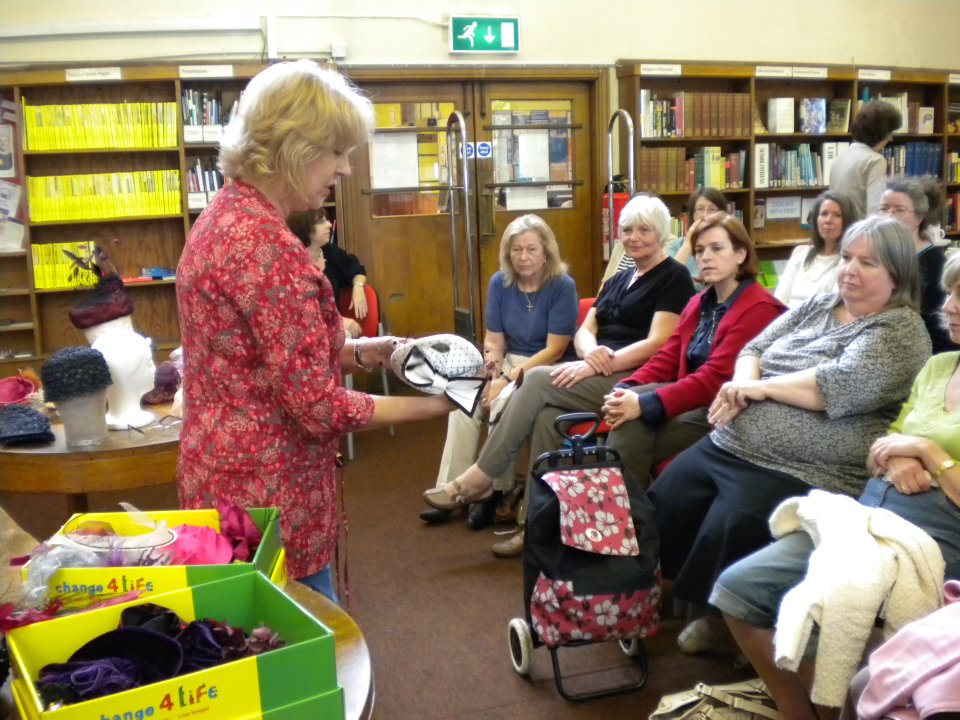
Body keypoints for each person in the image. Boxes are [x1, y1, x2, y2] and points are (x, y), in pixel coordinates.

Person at [175, 60, 453, 604]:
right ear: (295, 148)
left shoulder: (224, 217)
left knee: (240, 641)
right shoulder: (270, 251)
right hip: (267, 496)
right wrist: (438, 405)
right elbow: (318, 406)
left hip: (223, 477)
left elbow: (279, 356)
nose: (346, 169)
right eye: (338, 152)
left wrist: (376, 350)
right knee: (299, 658)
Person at [649, 216, 930, 654]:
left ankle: (725, 620)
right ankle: (675, 592)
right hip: (733, 442)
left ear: (897, 274)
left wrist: (757, 387)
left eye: (868, 263)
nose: (850, 270)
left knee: (737, 516)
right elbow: (754, 348)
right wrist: (737, 386)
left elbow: (833, 387)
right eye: (847, 257)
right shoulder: (821, 303)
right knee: (670, 494)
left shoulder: (899, 330)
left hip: (805, 466)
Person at [712, 251, 960, 720]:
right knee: (736, 590)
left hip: (937, 539)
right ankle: (796, 711)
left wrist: (926, 452)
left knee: (824, 624)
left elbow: (918, 452)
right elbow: (877, 450)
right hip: (868, 516)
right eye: (948, 293)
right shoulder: (939, 367)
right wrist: (897, 453)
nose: (946, 306)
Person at [422, 193, 696, 557]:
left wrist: (602, 361)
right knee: (548, 419)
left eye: (644, 229)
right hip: (597, 366)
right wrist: (587, 352)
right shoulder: (621, 277)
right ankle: (536, 525)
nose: (634, 237)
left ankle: (480, 478)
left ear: (662, 233)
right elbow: (586, 328)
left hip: (636, 376)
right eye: (627, 229)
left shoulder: (673, 278)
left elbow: (659, 341)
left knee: (535, 380)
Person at [600, 212, 786, 489]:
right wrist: (626, 386)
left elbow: (714, 379)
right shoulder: (699, 302)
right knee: (624, 407)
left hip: (726, 411)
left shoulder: (758, 308)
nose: (705, 257)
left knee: (629, 425)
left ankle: (622, 522)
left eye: (716, 248)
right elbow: (666, 358)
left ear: (740, 254)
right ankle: (624, 520)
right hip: (690, 402)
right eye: (699, 251)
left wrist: (643, 403)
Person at [420, 214, 577, 528]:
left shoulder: (562, 285)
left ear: (546, 251)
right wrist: (491, 374)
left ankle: (493, 491)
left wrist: (505, 382)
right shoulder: (500, 283)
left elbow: (555, 349)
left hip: (544, 367)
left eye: (531, 249)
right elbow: (493, 341)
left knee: (501, 405)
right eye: (516, 250)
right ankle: (452, 488)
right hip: (504, 362)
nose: (523, 257)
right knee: (463, 401)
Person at [878, 174, 958, 353]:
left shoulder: (935, 265)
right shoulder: (878, 256)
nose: (889, 216)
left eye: (899, 210)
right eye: (884, 208)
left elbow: (940, 334)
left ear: (919, 218)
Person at [287, 207, 366, 339]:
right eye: (321, 222)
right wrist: (339, 321)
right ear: (305, 228)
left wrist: (358, 287)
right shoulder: (291, 260)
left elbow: (358, 270)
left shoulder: (330, 252)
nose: (329, 225)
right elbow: (297, 311)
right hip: (304, 333)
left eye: (327, 220)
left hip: (334, 331)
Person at [774, 190, 860, 309]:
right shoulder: (800, 254)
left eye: (837, 215)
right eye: (824, 214)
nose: (828, 220)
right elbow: (779, 300)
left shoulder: (848, 263)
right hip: (786, 321)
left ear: (847, 221)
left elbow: (831, 308)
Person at [828, 99, 902, 218]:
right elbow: (876, 208)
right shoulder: (875, 160)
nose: (891, 139)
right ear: (880, 133)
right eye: (890, 133)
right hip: (861, 232)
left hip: (840, 231)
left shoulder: (840, 157)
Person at [664, 187, 729, 288]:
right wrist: (689, 243)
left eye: (711, 209)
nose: (705, 215)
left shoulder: (729, 245)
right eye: (700, 209)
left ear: (722, 213)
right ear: (692, 215)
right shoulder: (677, 245)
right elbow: (667, 281)